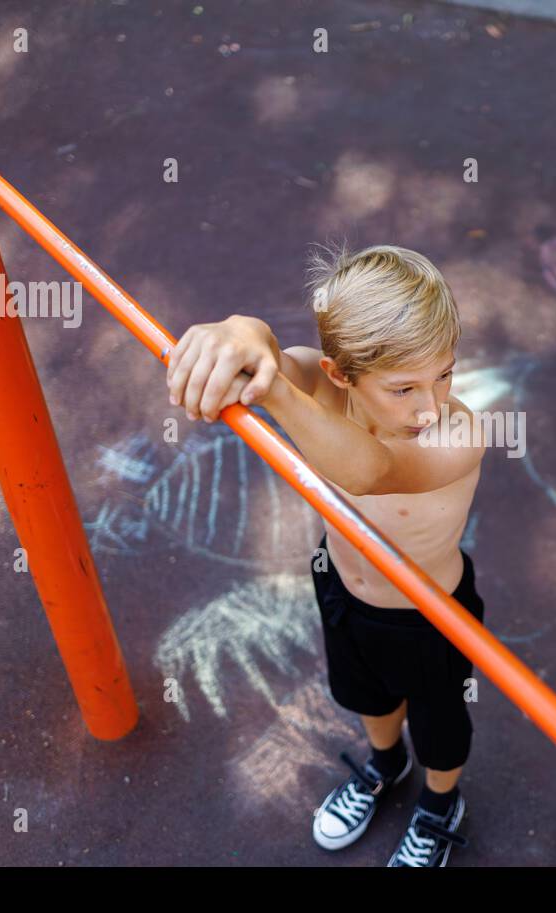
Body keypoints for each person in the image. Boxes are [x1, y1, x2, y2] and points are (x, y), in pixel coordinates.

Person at [164, 242, 487, 867]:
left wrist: (277, 392)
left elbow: (369, 469)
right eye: (404, 388)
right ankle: (385, 766)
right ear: (343, 375)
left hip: (431, 613)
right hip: (342, 585)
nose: (431, 404)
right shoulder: (322, 379)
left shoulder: (458, 434)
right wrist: (241, 334)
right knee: (368, 697)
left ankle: (441, 802)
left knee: (441, 725)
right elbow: (273, 353)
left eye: (443, 374)